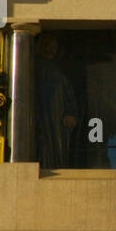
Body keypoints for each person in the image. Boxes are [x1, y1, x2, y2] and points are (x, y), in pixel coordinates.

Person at [35, 35, 79, 169]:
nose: (51, 50)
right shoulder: (33, 67)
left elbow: (68, 95)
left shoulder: (57, 72)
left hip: (55, 116)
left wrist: (70, 112)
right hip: (39, 114)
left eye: (54, 47)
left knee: (54, 146)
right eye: (48, 45)